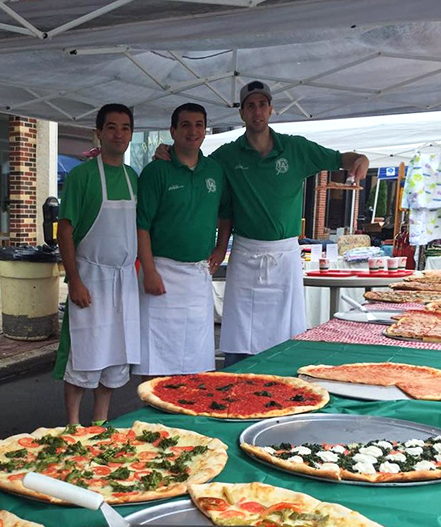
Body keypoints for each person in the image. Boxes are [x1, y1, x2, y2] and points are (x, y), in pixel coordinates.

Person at [157, 81, 369, 366]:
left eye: (262, 105)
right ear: (242, 113)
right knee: (240, 334)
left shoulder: (296, 148)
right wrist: (166, 152)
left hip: (285, 256)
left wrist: (361, 159)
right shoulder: (227, 156)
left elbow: (341, 158)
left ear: (271, 110)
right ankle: (235, 390)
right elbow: (194, 162)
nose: (257, 111)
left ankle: (286, 387)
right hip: (246, 254)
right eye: (250, 106)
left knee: (286, 334)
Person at [53, 104, 140, 425]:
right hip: (91, 275)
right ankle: (73, 425)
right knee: (85, 353)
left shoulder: (133, 177)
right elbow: (65, 230)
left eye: (125, 128)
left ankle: (100, 423)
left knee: (115, 354)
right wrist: (73, 278)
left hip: (124, 280)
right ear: (99, 132)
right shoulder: (82, 176)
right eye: (112, 127)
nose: (119, 134)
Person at [135, 103, 231, 377]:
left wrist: (221, 247)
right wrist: (149, 270)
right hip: (161, 271)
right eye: (186, 125)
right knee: (157, 355)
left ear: (205, 130)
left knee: (196, 355)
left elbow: (226, 214)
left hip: (198, 274)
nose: (193, 131)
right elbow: (141, 225)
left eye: (199, 124)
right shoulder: (156, 171)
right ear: (173, 131)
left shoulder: (215, 170)